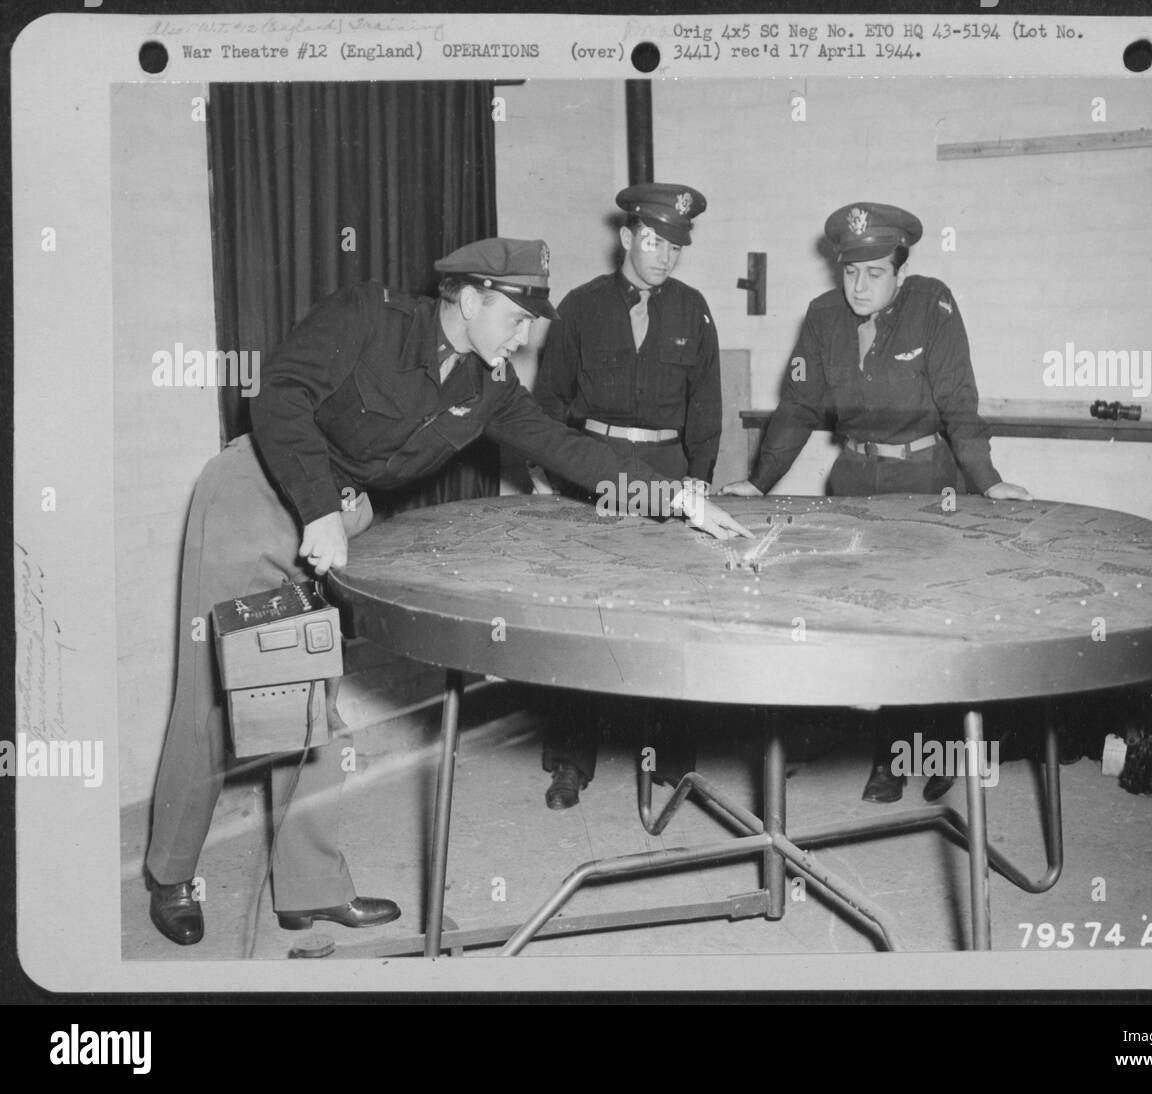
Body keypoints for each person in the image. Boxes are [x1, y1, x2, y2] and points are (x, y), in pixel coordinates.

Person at [146, 238, 750, 946]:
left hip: (338, 512)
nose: (525, 337)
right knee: (218, 694)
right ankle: (171, 873)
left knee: (308, 696)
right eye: (518, 319)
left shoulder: (485, 386)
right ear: (469, 300)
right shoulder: (370, 317)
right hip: (254, 497)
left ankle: (309, 889)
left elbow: (570, 450)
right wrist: (316, 510)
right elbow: (278, 394)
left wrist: (678, 498)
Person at [721, 202, 1031, 803]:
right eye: (850, 273)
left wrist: (989, 481)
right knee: (870, 617)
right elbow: (798, 407)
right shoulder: (822, 316)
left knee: (929, 621)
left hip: (926, 484)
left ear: (899, 270)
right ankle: (888, 754)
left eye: (875, 273)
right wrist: (759, 482)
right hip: (857, 485)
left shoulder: (932, 305)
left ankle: (937, 746)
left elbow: (960, 403)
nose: (860, 287)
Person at [530, 183, 721, 810]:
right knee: (582, 613)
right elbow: (549, 402)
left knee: (668, 615)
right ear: (627, 236)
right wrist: (545, 475)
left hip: (665, 471)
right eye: (654, 241)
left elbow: (707, 409)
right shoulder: (579, 308)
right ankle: (569, 760)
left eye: (675, 246)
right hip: (593, 470)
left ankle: (673, 760)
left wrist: (698, 479)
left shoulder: (694, 310)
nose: (665, 256)